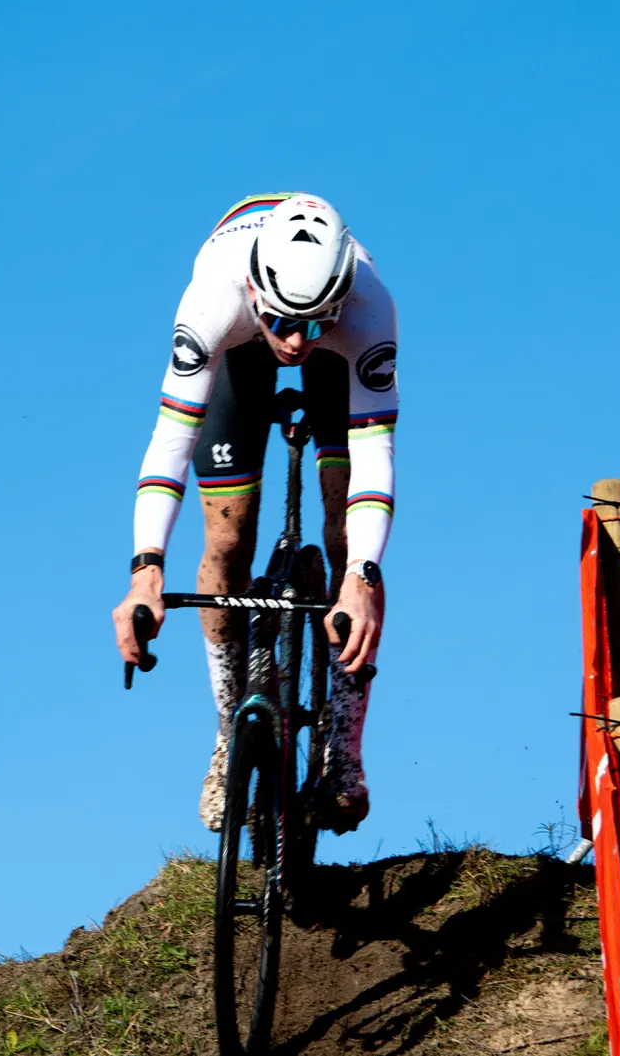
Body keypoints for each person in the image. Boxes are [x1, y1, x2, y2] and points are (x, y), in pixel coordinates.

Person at [111, 193, 397, 834]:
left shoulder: (368, 308)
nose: (296, 343)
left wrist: (362, 576)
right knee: (228, 539)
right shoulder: (213, 300)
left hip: (342, 362)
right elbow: (171, 443)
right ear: (253, 290)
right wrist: (146, 570)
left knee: (347, 536)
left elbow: (377, 456)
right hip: (236, 348)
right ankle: (226, 730)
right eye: (286, 324)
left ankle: (345, 751)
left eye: (312, 324)